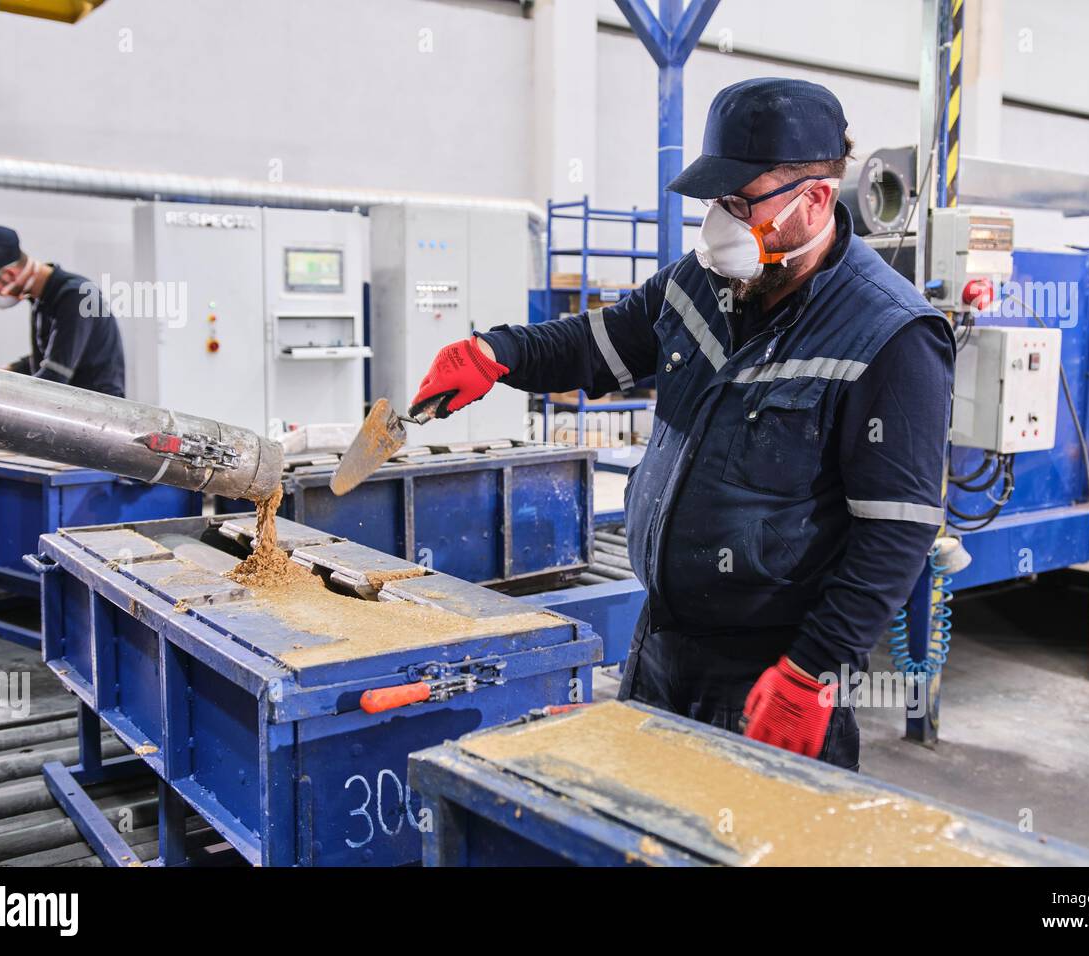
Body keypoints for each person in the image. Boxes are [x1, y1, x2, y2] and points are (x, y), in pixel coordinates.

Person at [408, 78, 955, 771]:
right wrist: (497, 353)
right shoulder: (698, 283)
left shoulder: (889, 333)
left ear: (815, 198)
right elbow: (593, 341)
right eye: (714, 201)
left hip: (769, 674)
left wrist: (814, 670)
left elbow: (895, 531)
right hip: (661, 643)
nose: (718, 223)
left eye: (739, 201)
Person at [0, 225, 125, 396]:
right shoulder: (43, 300)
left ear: (9, 275)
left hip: (96, 418)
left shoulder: (77, 296)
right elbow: (52, 356)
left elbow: (54, 378)